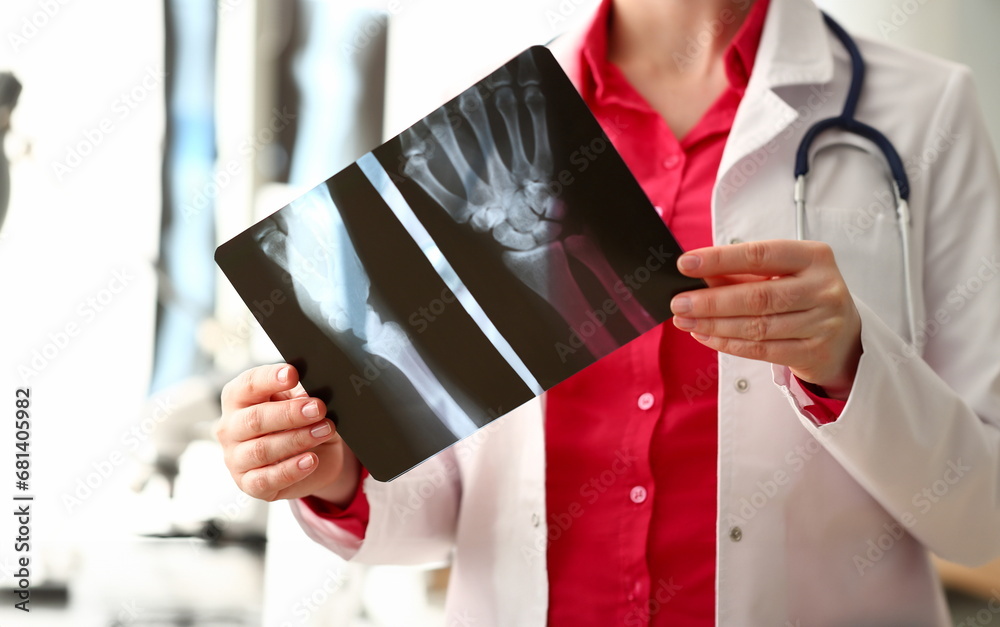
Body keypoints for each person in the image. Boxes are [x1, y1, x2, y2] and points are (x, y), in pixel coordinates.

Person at [214, 0, 1000, 624]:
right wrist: (337, 472)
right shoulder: (467, 114)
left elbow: (982, 519)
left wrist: (852, 366)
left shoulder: (926, 111)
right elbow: (445, 507)